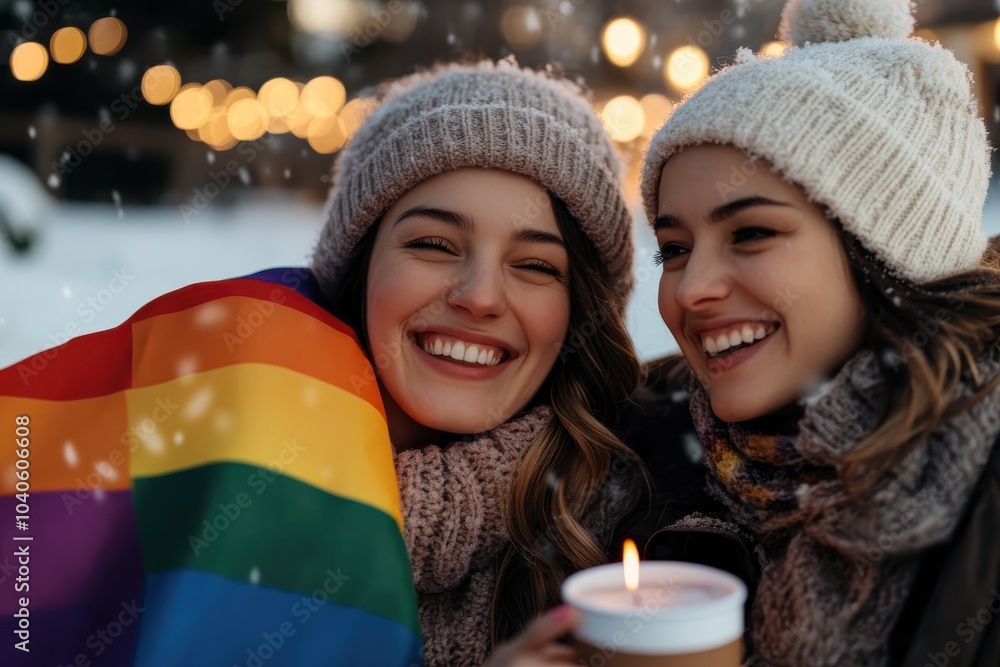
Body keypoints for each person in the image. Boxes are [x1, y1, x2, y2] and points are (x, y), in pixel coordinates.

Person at [634, 0, 1000, 664]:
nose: (691, 289)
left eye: (751, 233)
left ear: (886, 254)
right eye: (674, 248)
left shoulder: (982, 494)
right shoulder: (637, 461)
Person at [310, 58, 644, 666]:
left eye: (536, 265)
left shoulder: (635, 525)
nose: (480, 296)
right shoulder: (229, 481)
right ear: (358, 268)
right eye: (434, 246)